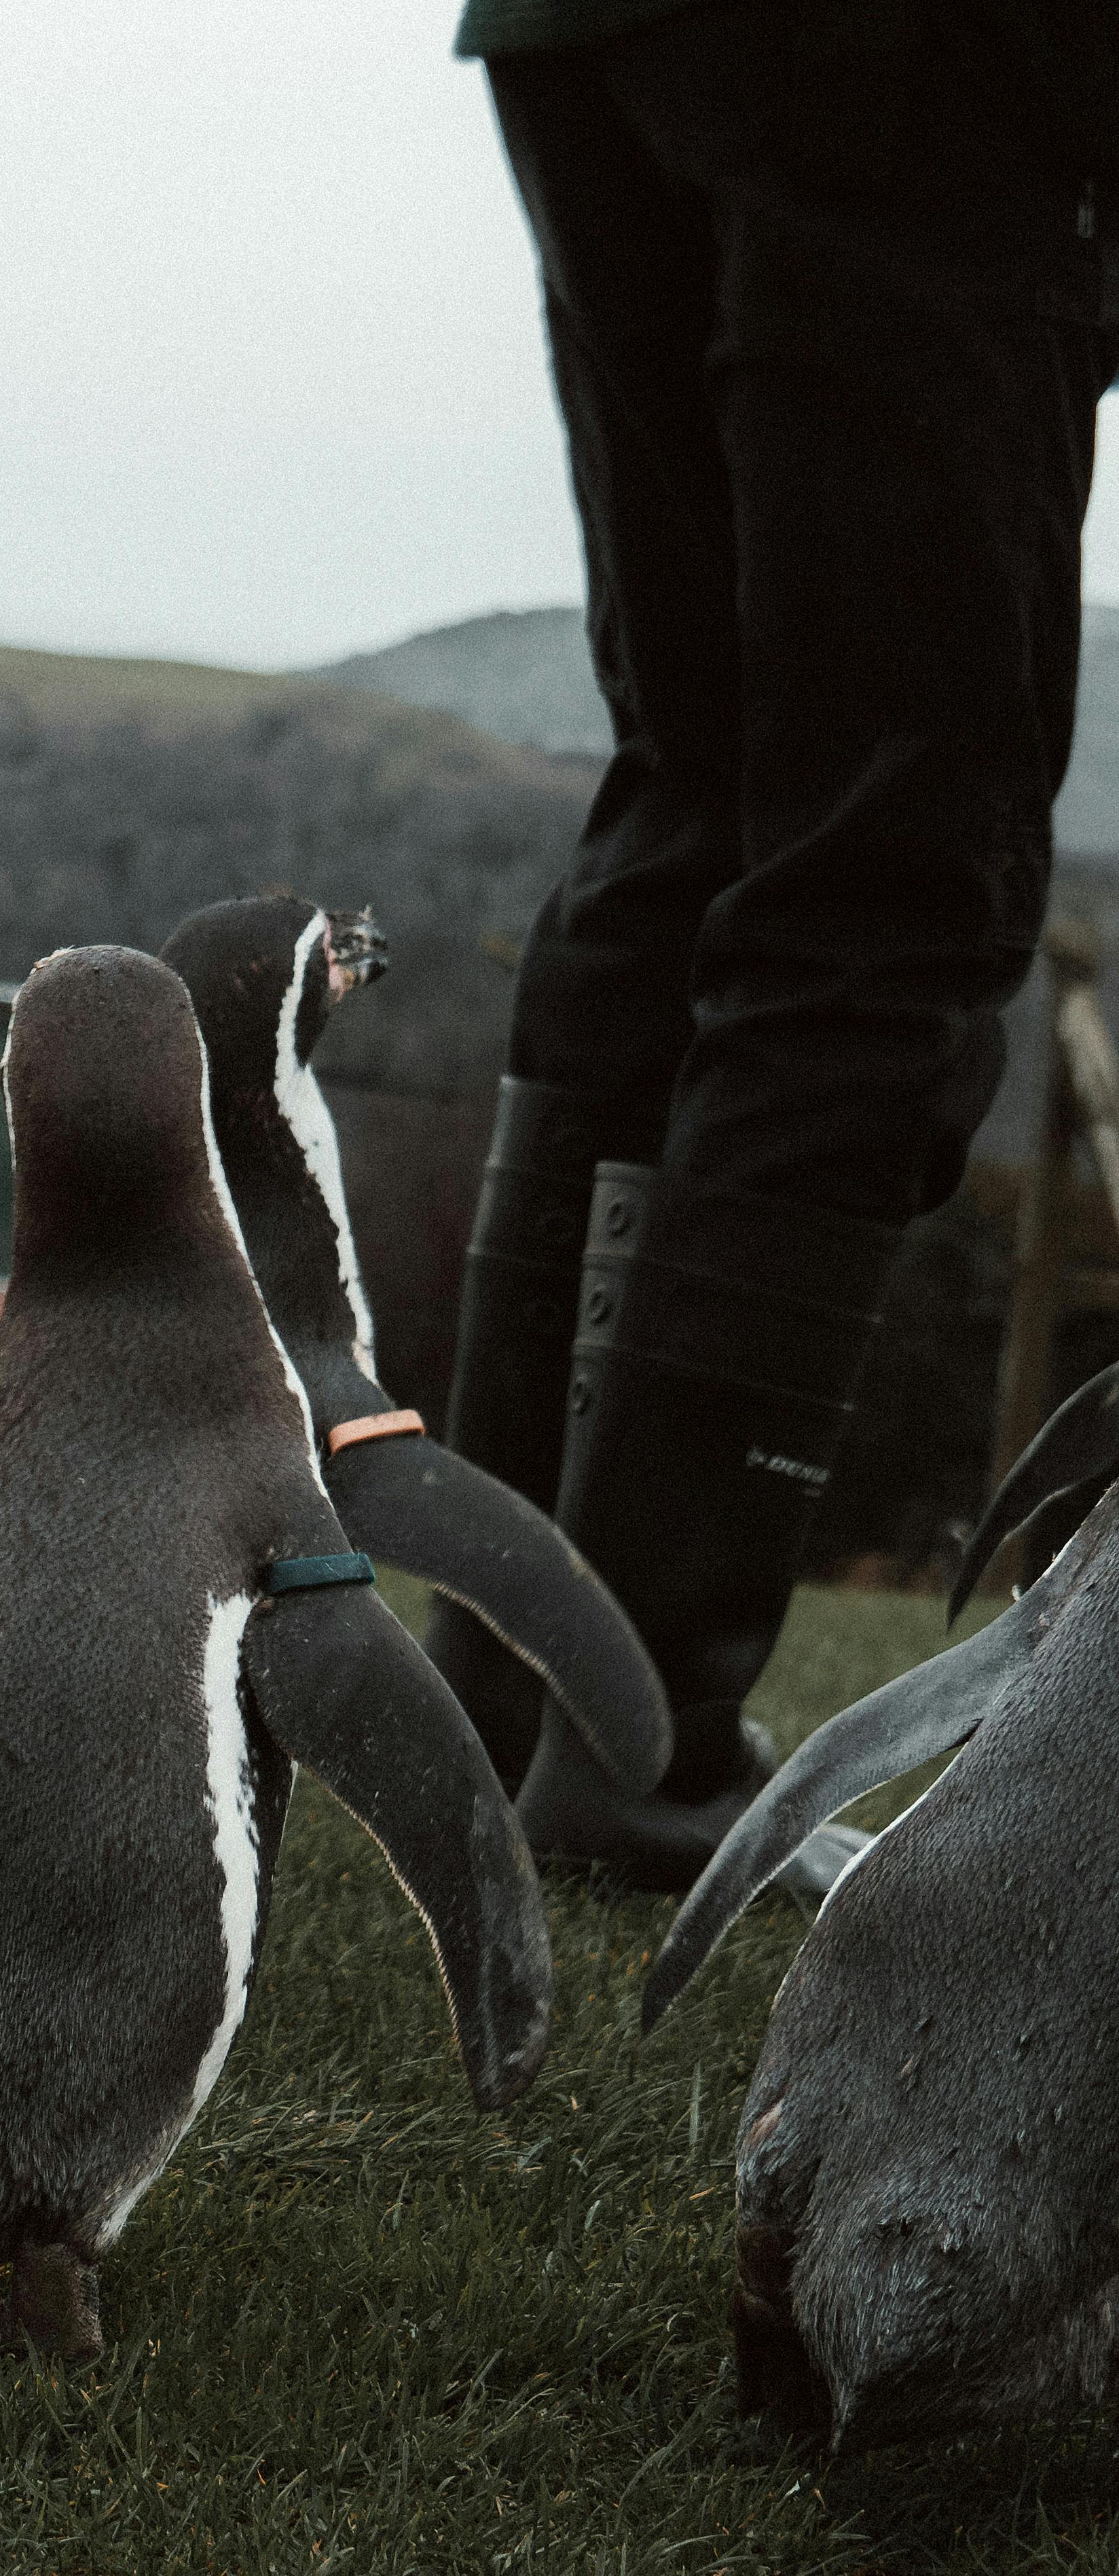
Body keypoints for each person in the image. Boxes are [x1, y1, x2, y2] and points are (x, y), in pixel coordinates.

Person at [428, 0, 1119, 1887]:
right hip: (923, 65)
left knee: (707, 794)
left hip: (598, 35)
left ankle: (517, 1690)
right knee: (892, 867)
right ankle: (637, 1748)